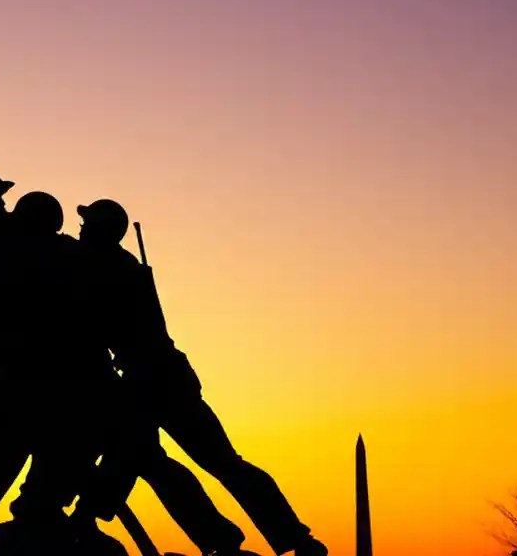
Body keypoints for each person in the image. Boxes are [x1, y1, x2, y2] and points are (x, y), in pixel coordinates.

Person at [72, 199, 328, 556]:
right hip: (163, 375)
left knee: (153, 457)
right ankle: (279, 539)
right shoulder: (118, 265)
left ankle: (274, 538)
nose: (79, 228)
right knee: (157, 458)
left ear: (102, 230)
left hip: (149, 378)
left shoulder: (103, 266)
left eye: (87, 223)